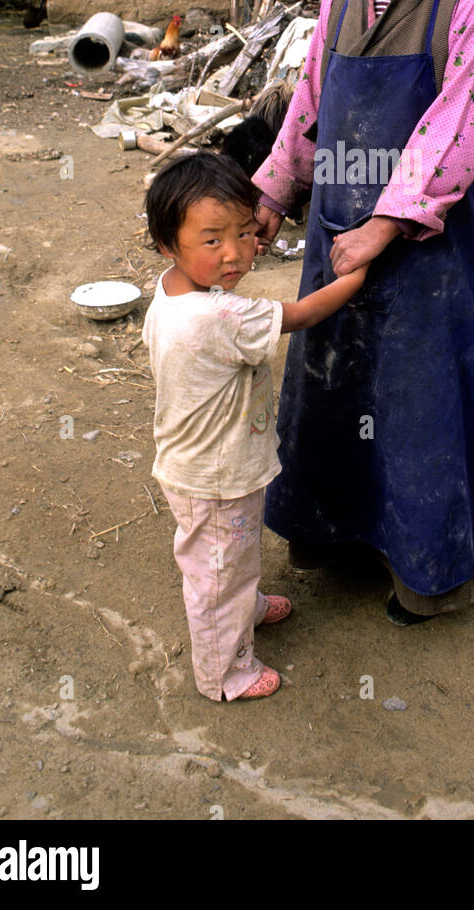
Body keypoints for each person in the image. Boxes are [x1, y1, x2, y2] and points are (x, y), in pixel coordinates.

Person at [252, 0, 474, 625]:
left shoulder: (468, 13)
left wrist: (387, 224)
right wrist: (273, 191)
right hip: (336, 228)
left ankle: (427, 576)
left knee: (415, 403)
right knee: (335, 393)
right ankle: (333, 540)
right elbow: (310, 106)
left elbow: (453, 132)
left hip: (421, 252)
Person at [143, 150, 365, 699]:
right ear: (169, 245)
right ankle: (224, 674)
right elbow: (304, 314)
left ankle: (249, 603)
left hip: (200, 464)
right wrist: (359, 273)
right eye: (212, 240)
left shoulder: (172, 288)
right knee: (218, 576)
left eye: (245, 233)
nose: (235, 253)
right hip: (216, 476)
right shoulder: (223, 317)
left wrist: (222, 243)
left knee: (229, 556)